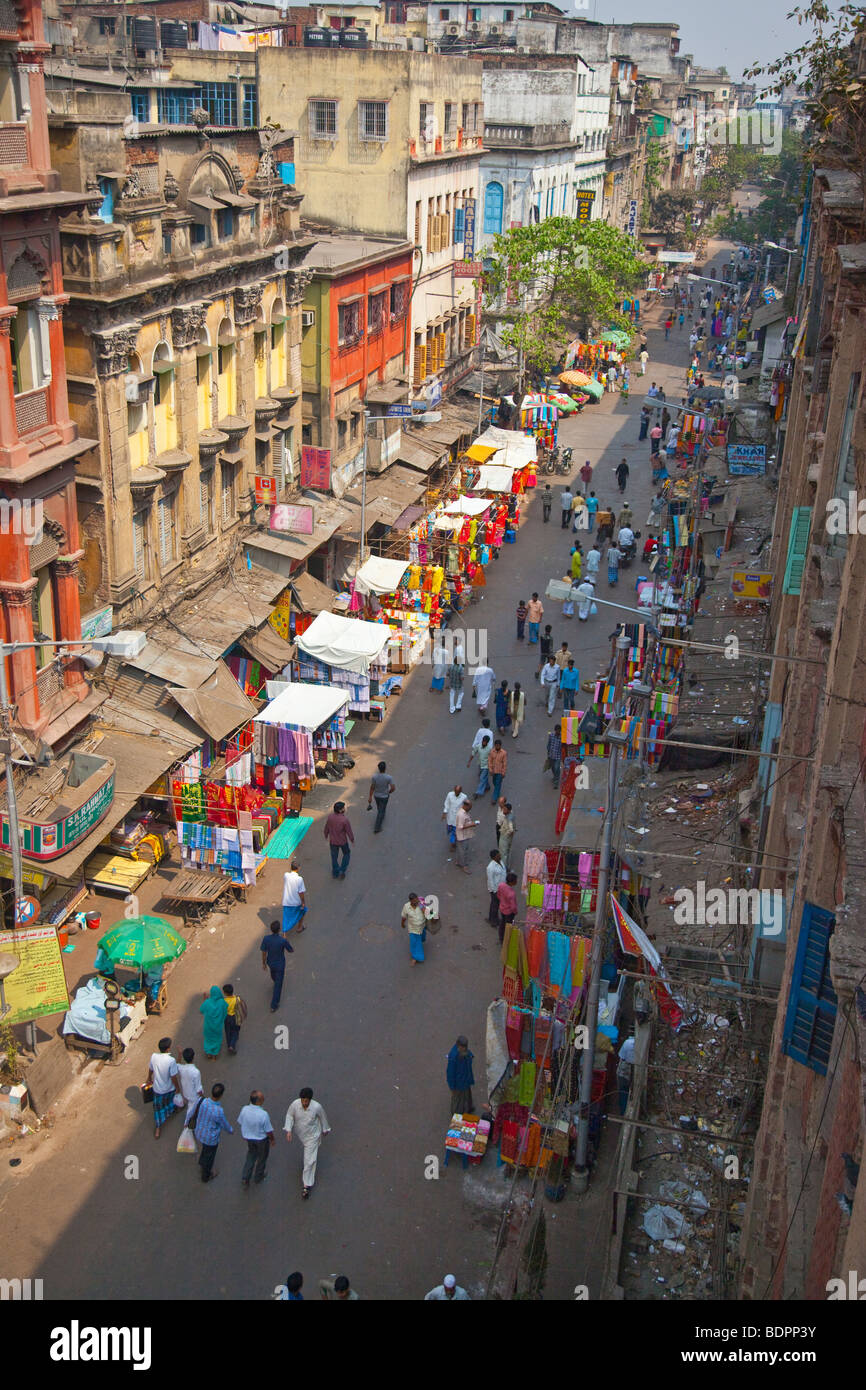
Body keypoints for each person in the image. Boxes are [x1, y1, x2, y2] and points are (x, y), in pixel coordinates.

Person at [284, 1087, 331, 1199]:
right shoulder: (295, 1104)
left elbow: (323, 1117)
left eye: (306, 1101)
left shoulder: (317, 1107)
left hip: (312, 1136)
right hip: (301, 1133)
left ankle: (306, 1185)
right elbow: (290, 1115)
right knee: (308, 1158)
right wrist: (288, 1130)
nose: (304, 1103)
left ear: (310, 1100)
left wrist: (325, 1129)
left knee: (309, 1161)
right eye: (303, 1100)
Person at [194, 1081, 233, 1185]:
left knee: (205, 1150)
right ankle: (206, 1176)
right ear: (221, 1095)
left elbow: (192, 1112)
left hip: (200, 1132)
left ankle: (202, 1163)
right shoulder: (218, 1111)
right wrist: (230, 1130)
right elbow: (224, 1124)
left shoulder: (203, 1101)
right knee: (210, 1156)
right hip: (210, 1138)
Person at [238, 1090, 275, 1188]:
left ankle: (245, 1177)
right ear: (258, 1101)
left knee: (251, 1155)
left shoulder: (244, 1109)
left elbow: (240, 1121)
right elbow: (268, 1130)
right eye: (262, 1098)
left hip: (249, 1138)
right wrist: (272, 1139)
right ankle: (258, 1176)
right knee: (262, 1157)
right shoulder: (263, 1114)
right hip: (261, 1140)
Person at [146, 1037, 182, 1139]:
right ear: (168, 1049)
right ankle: (176, 1109)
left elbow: (150, 1069)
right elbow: (173, 1076)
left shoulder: (154, 1056)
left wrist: (148, 1078)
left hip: (157, 1089)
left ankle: (158, 1128)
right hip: (169, 1089)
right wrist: (178, 1088)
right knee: (170, 1102)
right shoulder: (171, 1060)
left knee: (158, 1109)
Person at [260, 920, 293, 1012]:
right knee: (278, 985)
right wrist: (286, 940)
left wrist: (263, 963)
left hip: (270, 962)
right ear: (279, 930)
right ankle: (274, 1005)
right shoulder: (282, 940)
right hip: (280, 965)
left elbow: (263, 952)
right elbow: (291, 950)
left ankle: (275, 980)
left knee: (273, 974)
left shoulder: (266, 939)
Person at [323, 799, 354, 877]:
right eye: (343, 808)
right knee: (346, 854)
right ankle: (342, 870)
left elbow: (327, 827)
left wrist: (326, 835)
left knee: (334, 857)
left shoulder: (330, 817)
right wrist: (352, 839)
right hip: (342, 841)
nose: (344, 809)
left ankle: (335, 872)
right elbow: (349, 831)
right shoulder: (344, 820)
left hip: (333, 841)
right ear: (340, 810)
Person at [447, 1036, 475, 1113]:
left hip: (465, 1079)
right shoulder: (453, 1057)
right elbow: (450, 1073)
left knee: (467, 1095)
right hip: (458, 1083)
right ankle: (456, 1114)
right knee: (457, 1099)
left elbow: (469, 1055)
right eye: (463, 1047)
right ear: (458, 1046)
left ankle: (467, 1108)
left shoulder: (464, 1052)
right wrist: (452, 1086)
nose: (464, 1049)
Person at [177, 1046, 203, 1127]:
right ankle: (186, 1123)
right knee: (191, 1109)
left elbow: (177, 1064)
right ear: (193, 1057)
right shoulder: (196, 1072)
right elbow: (198, 1089)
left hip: (185, 1092)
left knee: (191, 1106)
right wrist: (203, 1097)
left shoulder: (182, 1068)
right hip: (194, 1096)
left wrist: (179, 1054)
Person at [200, 986, 228, 1060]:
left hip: (208, 1026)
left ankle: (208, 1053)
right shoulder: (222, 1002)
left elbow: (201, 1010)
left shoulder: (207, 1002)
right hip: (218, 1026)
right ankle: (214, 1055)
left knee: (208, 1039)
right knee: (217, 1040)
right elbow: (226, 1010)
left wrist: (205, 999)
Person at [368, 761, 395, 834]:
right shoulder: (389, 777)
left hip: (376, 796)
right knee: (381, 810)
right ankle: (377, 827)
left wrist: (370, 796)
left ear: (378, 768)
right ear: (385, 768)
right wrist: (388, 792)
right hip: (385, 796)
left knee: (379, 808)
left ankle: (381, 815)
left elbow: (372, 787)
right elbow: (393, 788)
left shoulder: (374, 777)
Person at [281, 861, 307, 935]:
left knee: (286, 918)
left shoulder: (286, 875)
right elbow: (301, 893)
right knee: (302, 912)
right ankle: (299, 927)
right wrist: (303, 902)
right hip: (296, 902)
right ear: (298, 868)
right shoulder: (299, 879)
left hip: (286, 901)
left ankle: (284, 934)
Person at [455, 798, 479, 873]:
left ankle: (459, 862)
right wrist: (472, 824)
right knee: (464, 851)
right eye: (470, 807)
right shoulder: (461, 815)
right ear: (466, 806)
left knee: (461, 850)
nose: (470, 809)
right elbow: (460, 827)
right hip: (463, 836)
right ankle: (464, 866)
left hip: (463, 835)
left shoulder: (463, 812)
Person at [222, 983, 246, 1055]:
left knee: (228, 1032)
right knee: (235, 1031)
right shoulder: (237, 999)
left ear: (225, 993)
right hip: (235, 1017)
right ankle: (232, 1045)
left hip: (227, 1018)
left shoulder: (224, 1001)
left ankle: (229, 1044)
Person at [467, 732, 492, 797]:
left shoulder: (489, 749)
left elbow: (492, 758)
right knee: (482, 777)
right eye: (483, 741)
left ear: (487, 742)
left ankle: (478, 792)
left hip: (486, 766)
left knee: (482, 778)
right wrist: (469, 762)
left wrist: (492, 767)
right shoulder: (478, 746)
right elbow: (473, 753)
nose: (484, 743)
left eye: (485, 742)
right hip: (480, 764)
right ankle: (487, 786)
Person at [496, 873, 518, 945]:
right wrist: (515, 912)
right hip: (509, 912)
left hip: (502, 908)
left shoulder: (501, 885)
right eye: (515, 881)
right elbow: (513, 906)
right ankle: (507, 940)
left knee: (502, 923)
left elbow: (498, 895)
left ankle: (501, 938)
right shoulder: (512, 893)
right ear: (512, 882)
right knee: (508, 925)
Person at [486, 851, 506, 928]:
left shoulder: (500, 861)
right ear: (494, 858)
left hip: (502, 887)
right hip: (495, 890)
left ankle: (492, 918)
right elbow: (490, 880)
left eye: (499, 855)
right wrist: (495, 891)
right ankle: (493, 921)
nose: (500, 856)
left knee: (494, 904)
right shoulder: (490, 867)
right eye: (498, 855)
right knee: (495, 905)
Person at [617, 1035, 636, 1115]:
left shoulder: (627, 1043)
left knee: (623, 1092)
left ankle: (623, 1112)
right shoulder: (639, 1045)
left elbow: (621, 1056)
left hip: (625, 1070)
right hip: (634, 1070)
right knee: (631, 1091)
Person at [497, 799, 515, 868]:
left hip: (505, 837)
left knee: (503, 853)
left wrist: (505, 833)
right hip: (508, 837)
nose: (503, 811)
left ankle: (503, 867)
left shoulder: (509, 819)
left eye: (505, 810)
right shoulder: (511, 815)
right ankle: (507, 866)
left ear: (509, 810)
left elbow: (511, 829)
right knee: (507, 851)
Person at [488, 739, 507, 804]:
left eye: (498, 746)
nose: (497, 747)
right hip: (493, 771)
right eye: (496, 745)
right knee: (494, 782)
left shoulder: (504, 753)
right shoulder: (492, 752)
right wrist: (490, 769)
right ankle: (497, 791)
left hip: (500, 772)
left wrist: (503, 772)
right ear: (495, 745)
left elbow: (504, 763)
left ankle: (494, 798)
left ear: (500, 746)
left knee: (498, 784)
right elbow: (490, 761)